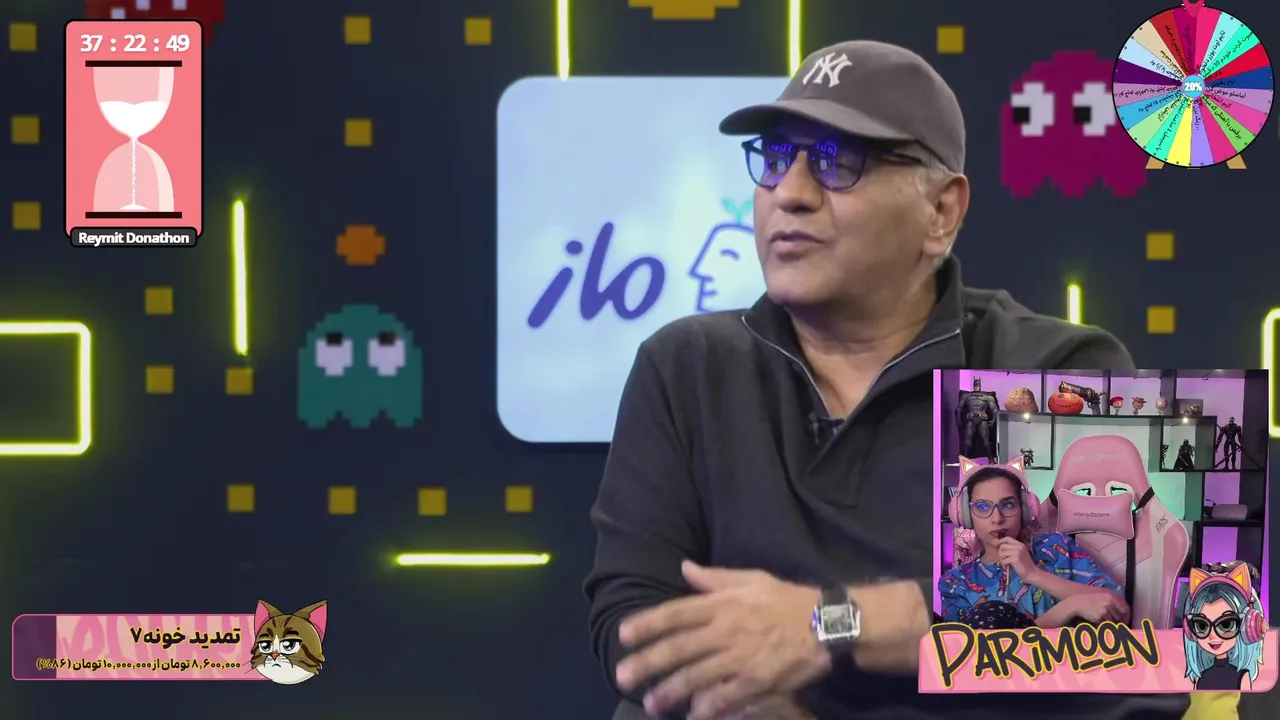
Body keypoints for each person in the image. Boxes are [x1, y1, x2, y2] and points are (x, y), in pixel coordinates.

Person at [584, 40, 1185, 719]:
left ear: (941, 212)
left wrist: (829, 624)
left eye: (837, 162)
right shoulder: (686, 367)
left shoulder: (1053, 373)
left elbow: (1126, 631)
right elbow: (635, 627)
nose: (790, 194)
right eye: (775, 159)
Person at [939, 460, 1128, 631]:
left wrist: (1034, 574)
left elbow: (1120, 611)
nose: (997, 518)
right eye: (982, 507)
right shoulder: (956, 583)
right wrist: (1069, 607)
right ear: (966, 515)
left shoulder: (1056, 549)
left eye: (1008, 505)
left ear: (1025, 509)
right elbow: (961, 650)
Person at [1182, 562, 1266, 691]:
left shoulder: (1242, 677)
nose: (1212, 635)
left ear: (1248, 626)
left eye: (1226, 624)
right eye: (1202, 626)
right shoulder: (1200, 678)